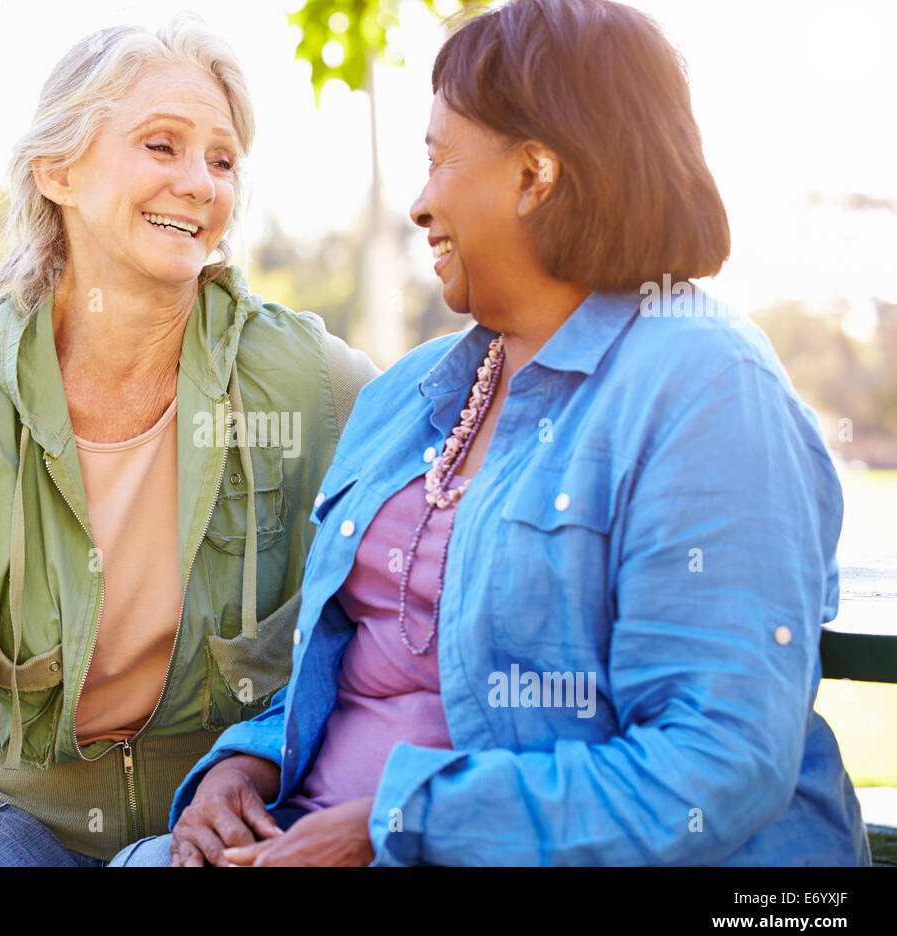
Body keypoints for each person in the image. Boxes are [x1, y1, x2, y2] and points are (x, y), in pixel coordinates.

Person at [115, 0, 871, 867]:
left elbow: (715, 768)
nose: (419, 203)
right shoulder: (411, 395)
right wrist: (240, 767)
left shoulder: (705, 389)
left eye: (438, 160)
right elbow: (369, 664)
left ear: (535, 174)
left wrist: (400, 825)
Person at [0, 16, 378, 867]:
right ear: (57, 171)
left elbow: (405, 582)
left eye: (221, 159)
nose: (200, 184)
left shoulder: (317, 384)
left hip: (219, 820)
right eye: (162, 145)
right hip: (21, 822)